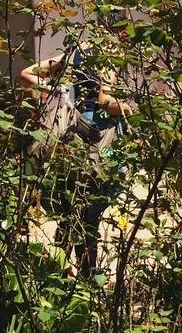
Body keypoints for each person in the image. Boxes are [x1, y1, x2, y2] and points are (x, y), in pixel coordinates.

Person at [19, 43, 132, 278]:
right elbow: (104, 100)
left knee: (70, 210)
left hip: (69, 138)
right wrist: (126, 108)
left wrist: (56, 91)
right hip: (95, 141)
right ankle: (88, 278)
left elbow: (27, 74)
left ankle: (55, 276)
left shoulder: (73, 51)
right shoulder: (112, 52)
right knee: (89, 213)